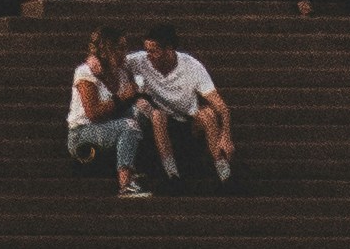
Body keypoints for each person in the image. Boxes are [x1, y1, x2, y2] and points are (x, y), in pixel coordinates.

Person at [63, 30, 168, 203]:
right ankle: (126, 184)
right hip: (82, 134)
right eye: (119, 49)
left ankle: (147, 167)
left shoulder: (120, 72)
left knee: (143, 109)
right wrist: (121, 97)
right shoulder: (85, 72)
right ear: (105, 50)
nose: (124, 54)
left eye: (125, 48)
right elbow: (93, 113)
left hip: (110, 127)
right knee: (129, 125)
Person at [126, 24, 234, 190]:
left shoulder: (191, 66)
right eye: (147, 50)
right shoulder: (141, 60)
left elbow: (220, 106)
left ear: (169, 49)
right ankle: (172, 176)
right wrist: (93, 60)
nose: (149, 56)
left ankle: (225, 175)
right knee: (156, 115)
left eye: (154, 51)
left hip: (189, 124)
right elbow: (113, 61)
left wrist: (225, 135)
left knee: (208, 114)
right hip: (163, 123)